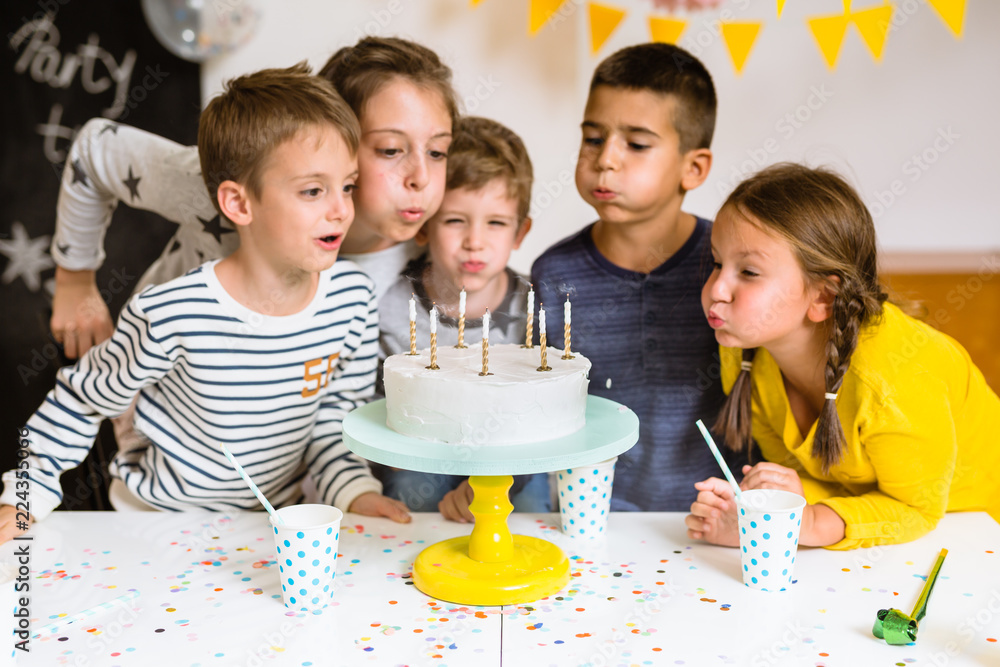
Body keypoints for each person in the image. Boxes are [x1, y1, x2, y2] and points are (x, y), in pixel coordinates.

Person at [0, 64, 412, 543]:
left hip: (269, 528)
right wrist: (25, 496)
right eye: (312, 191)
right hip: (155, 527)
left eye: (347, 185)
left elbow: (335, 417)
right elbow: (79, 400)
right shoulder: (170, 312)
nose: (341, 209)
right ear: (238, 204)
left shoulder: (352, 298)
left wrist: (354, 492)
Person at [50, 36, 458, 359]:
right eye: (390, 150)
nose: (421, 178)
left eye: (437, 151)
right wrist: (74, 281)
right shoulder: (227, 181)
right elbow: (95, 150)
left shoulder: (431, 251)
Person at [685, 163, 1000, 550]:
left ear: (823, 297)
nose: (716, 289)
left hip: (974, 536)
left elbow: (918, 510)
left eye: (748, 271)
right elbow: (831, 484)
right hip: (889, 546)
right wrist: (787, 497)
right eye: (717, 263)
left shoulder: (894, 379)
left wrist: (808, 522)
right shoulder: (743, 353)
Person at [530, 42, 737, 512]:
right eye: (593, 138)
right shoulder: (553, 275)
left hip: (717, 516)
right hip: (588, 517)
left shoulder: (729, 269)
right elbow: (540, 408)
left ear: (694, 167)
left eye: (637, 144)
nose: (607, 159)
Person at [378, 116, 549, 521]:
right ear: (423, 226)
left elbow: (539, 414)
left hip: (510, 459)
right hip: (419, 458)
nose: (475, 241)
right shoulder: (392, 307)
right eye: (455, 220)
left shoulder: (533, 309)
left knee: (527, 502)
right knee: (409, 495)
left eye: (495, 223)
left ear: (520, 232)